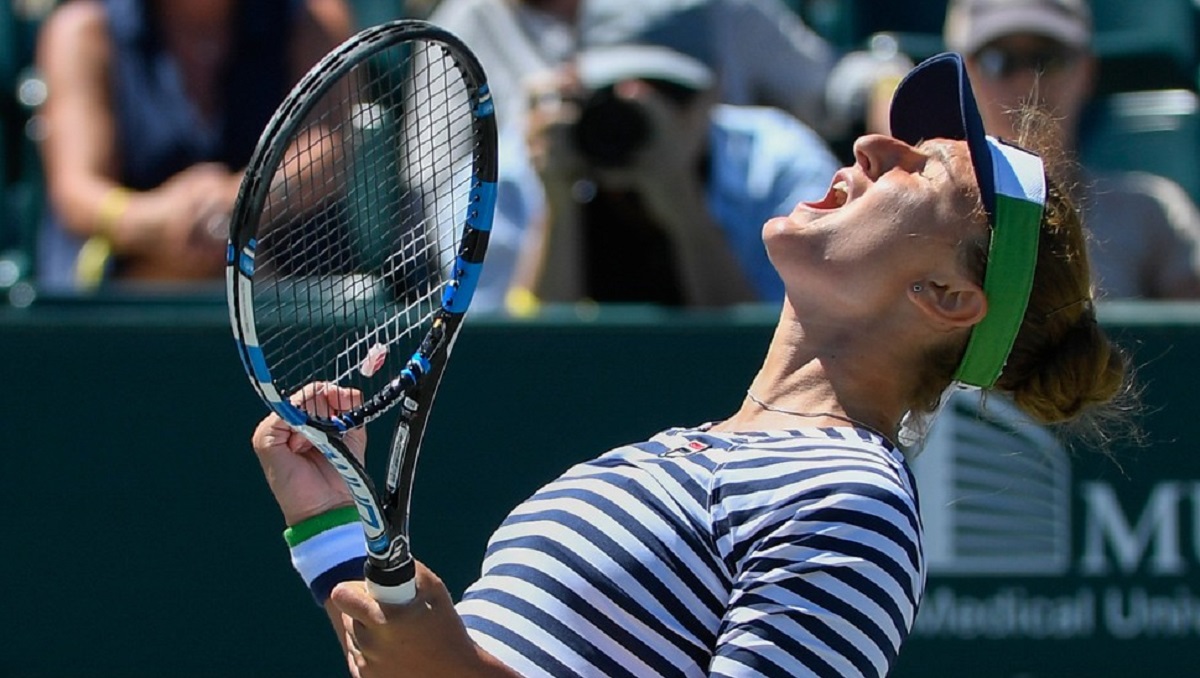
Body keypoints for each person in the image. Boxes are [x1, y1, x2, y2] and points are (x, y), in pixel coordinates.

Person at [249, 53, 1130, 677]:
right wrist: (329, 532)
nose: (869, 148)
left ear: (945, 296)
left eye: (920, 173)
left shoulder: (852, 504)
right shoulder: (684, 454)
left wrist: (453, 667)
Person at [33, 0, 352, 291]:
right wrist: (159, 223)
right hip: (119, 296)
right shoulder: (82, 31)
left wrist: (238, 206)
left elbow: (329, 146)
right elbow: (76, 190)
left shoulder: (312, 20)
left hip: (285, 289)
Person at [508, 44, 840, 307]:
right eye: (611, 95)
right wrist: (558, 206)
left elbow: (776, 353)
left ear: (713, 95)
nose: (646, 119)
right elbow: (526, 363)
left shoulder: (780, 163)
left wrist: (683, 209)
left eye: (669, 96)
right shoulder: (530, 156)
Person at [943, 0, 1200, 298]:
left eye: (1047, 60)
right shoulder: (931, 220)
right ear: (962, 76)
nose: (1028, 81)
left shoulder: (1151, 212)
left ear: (1087, 71)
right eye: (998, 60)